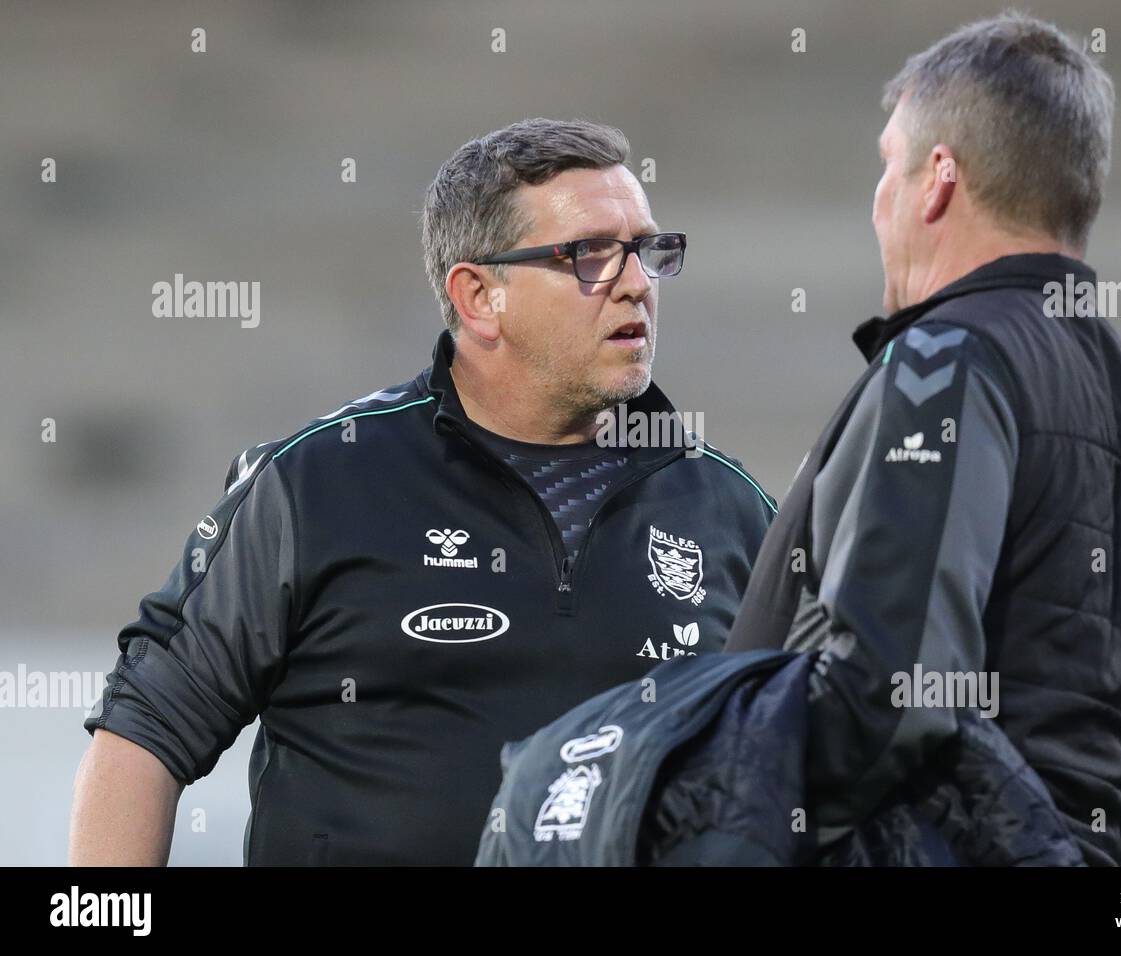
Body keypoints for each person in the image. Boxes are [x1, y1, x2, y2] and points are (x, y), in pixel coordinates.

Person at [69, 118, 776, 866]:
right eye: (590, 255)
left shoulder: (729, 510)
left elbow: (808, 764)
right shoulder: (320, 483)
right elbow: (142, 733)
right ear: (478, 298)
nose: (636, 282)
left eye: (645, 250)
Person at [726, 13, 1121, 866]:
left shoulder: (947, 360)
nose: (879, 199)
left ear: (938, 176)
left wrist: (724, 811)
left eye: (886, 165)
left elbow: (890, 695)